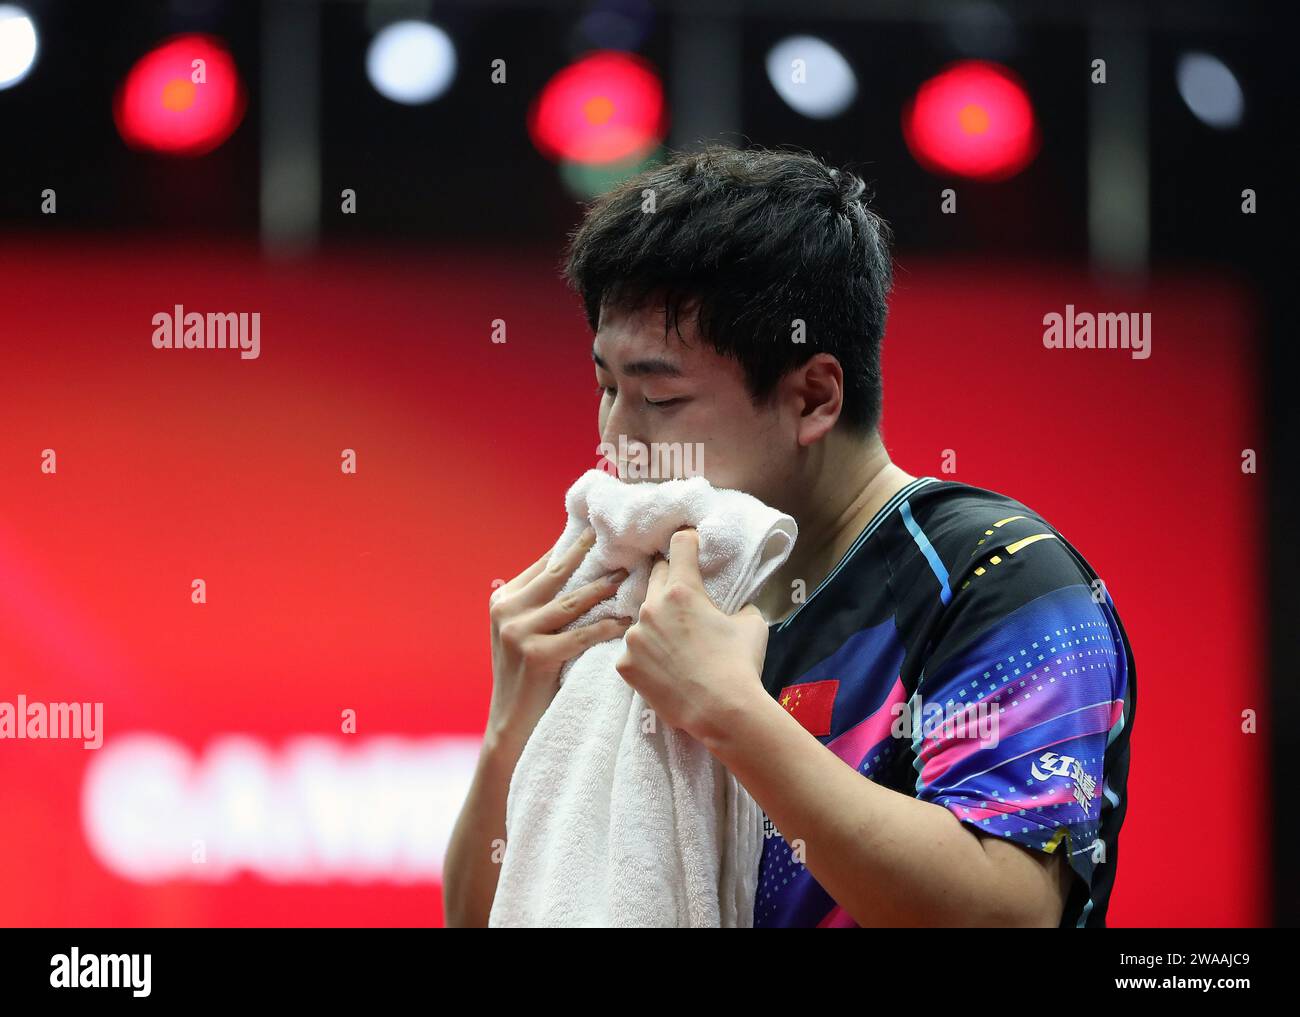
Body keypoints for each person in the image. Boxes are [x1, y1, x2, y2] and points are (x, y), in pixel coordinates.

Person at [443, 143, 1135, 927]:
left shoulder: (1002, 578)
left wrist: (733, 712)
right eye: (606, 385)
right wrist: (513, 727)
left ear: (812, 397)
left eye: (658, 398)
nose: (616, 439)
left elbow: (1009, 912)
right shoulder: (639, 602)